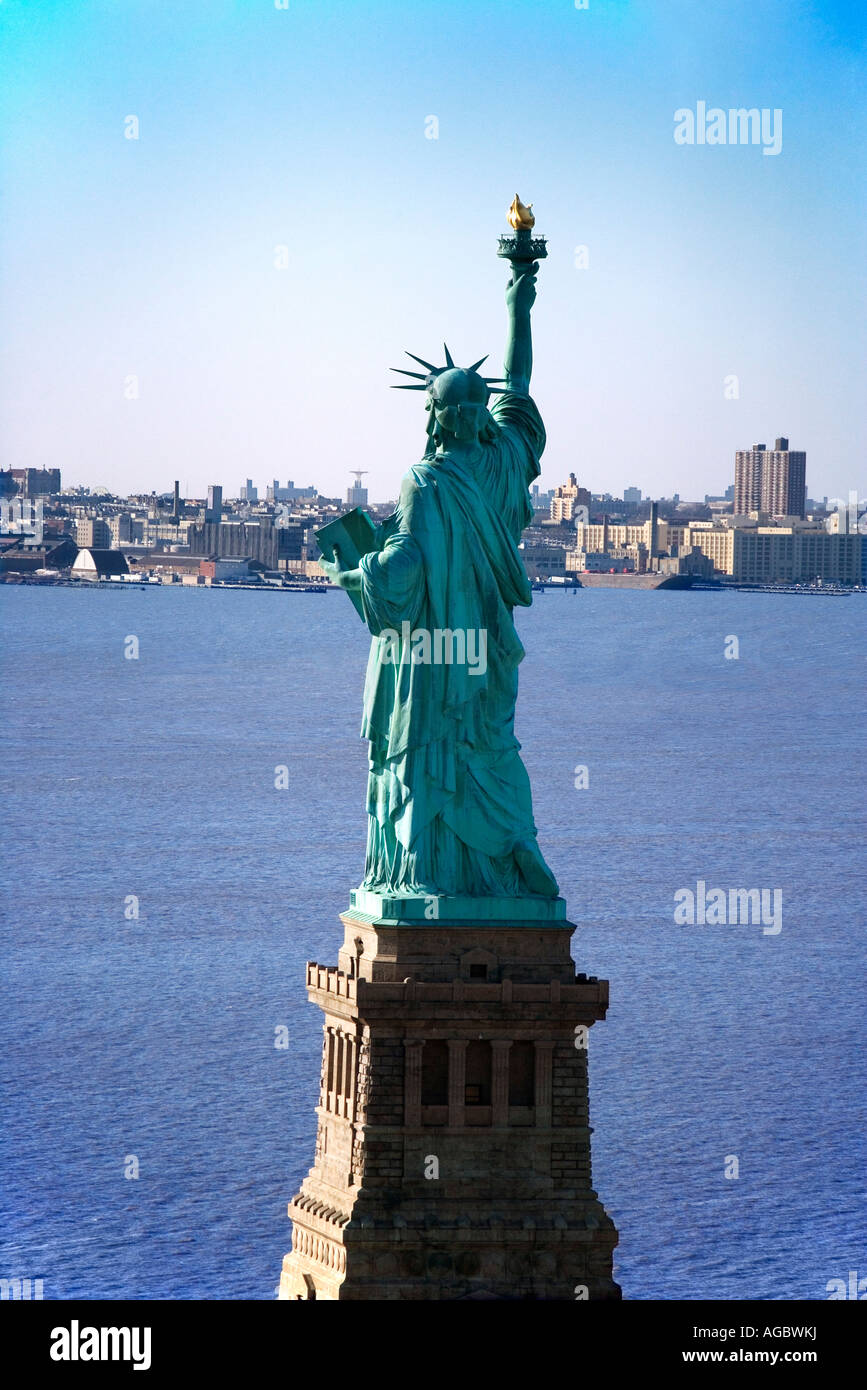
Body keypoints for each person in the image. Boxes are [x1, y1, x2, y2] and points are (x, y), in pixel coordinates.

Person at [320, 264, 558, 899]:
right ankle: (511, 851)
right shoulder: (506, 460)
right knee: (489, 745)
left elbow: (404, 570)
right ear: (481, 413)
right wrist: (519, 304)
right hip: (483, 648)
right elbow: (521, 381)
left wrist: (352, 571)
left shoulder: (423, 481)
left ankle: (424, 870)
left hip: (431, 655)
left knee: (427, 747)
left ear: (433, 418)